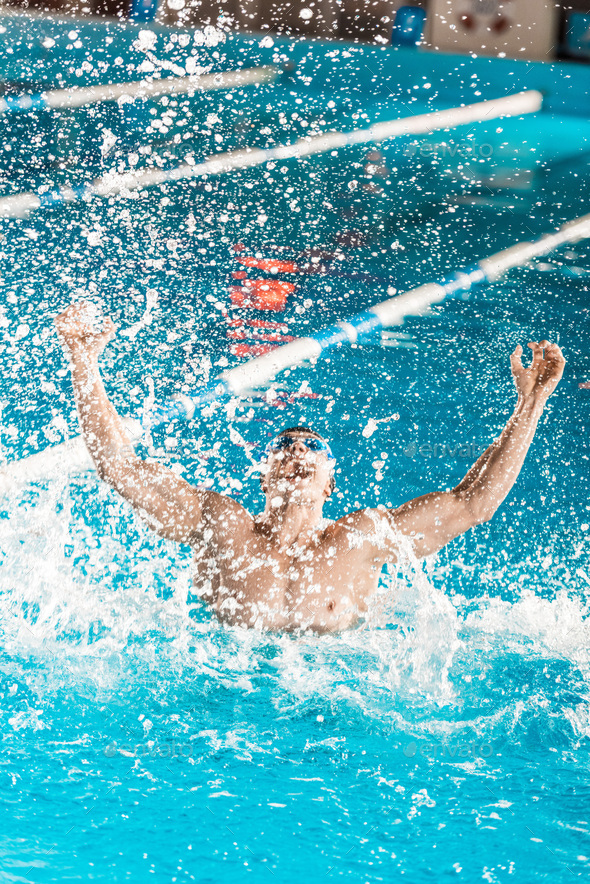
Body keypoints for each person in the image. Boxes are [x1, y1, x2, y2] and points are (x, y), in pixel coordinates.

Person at [54, 301, 565, 634]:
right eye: (285, 445)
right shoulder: (222, 525)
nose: (297, 451)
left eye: (312, 448)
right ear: (264, 476)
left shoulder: (360, 537)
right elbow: (119, 467)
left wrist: (531, 404)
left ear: (331, 480)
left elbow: (473, 503)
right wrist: (83, 362)